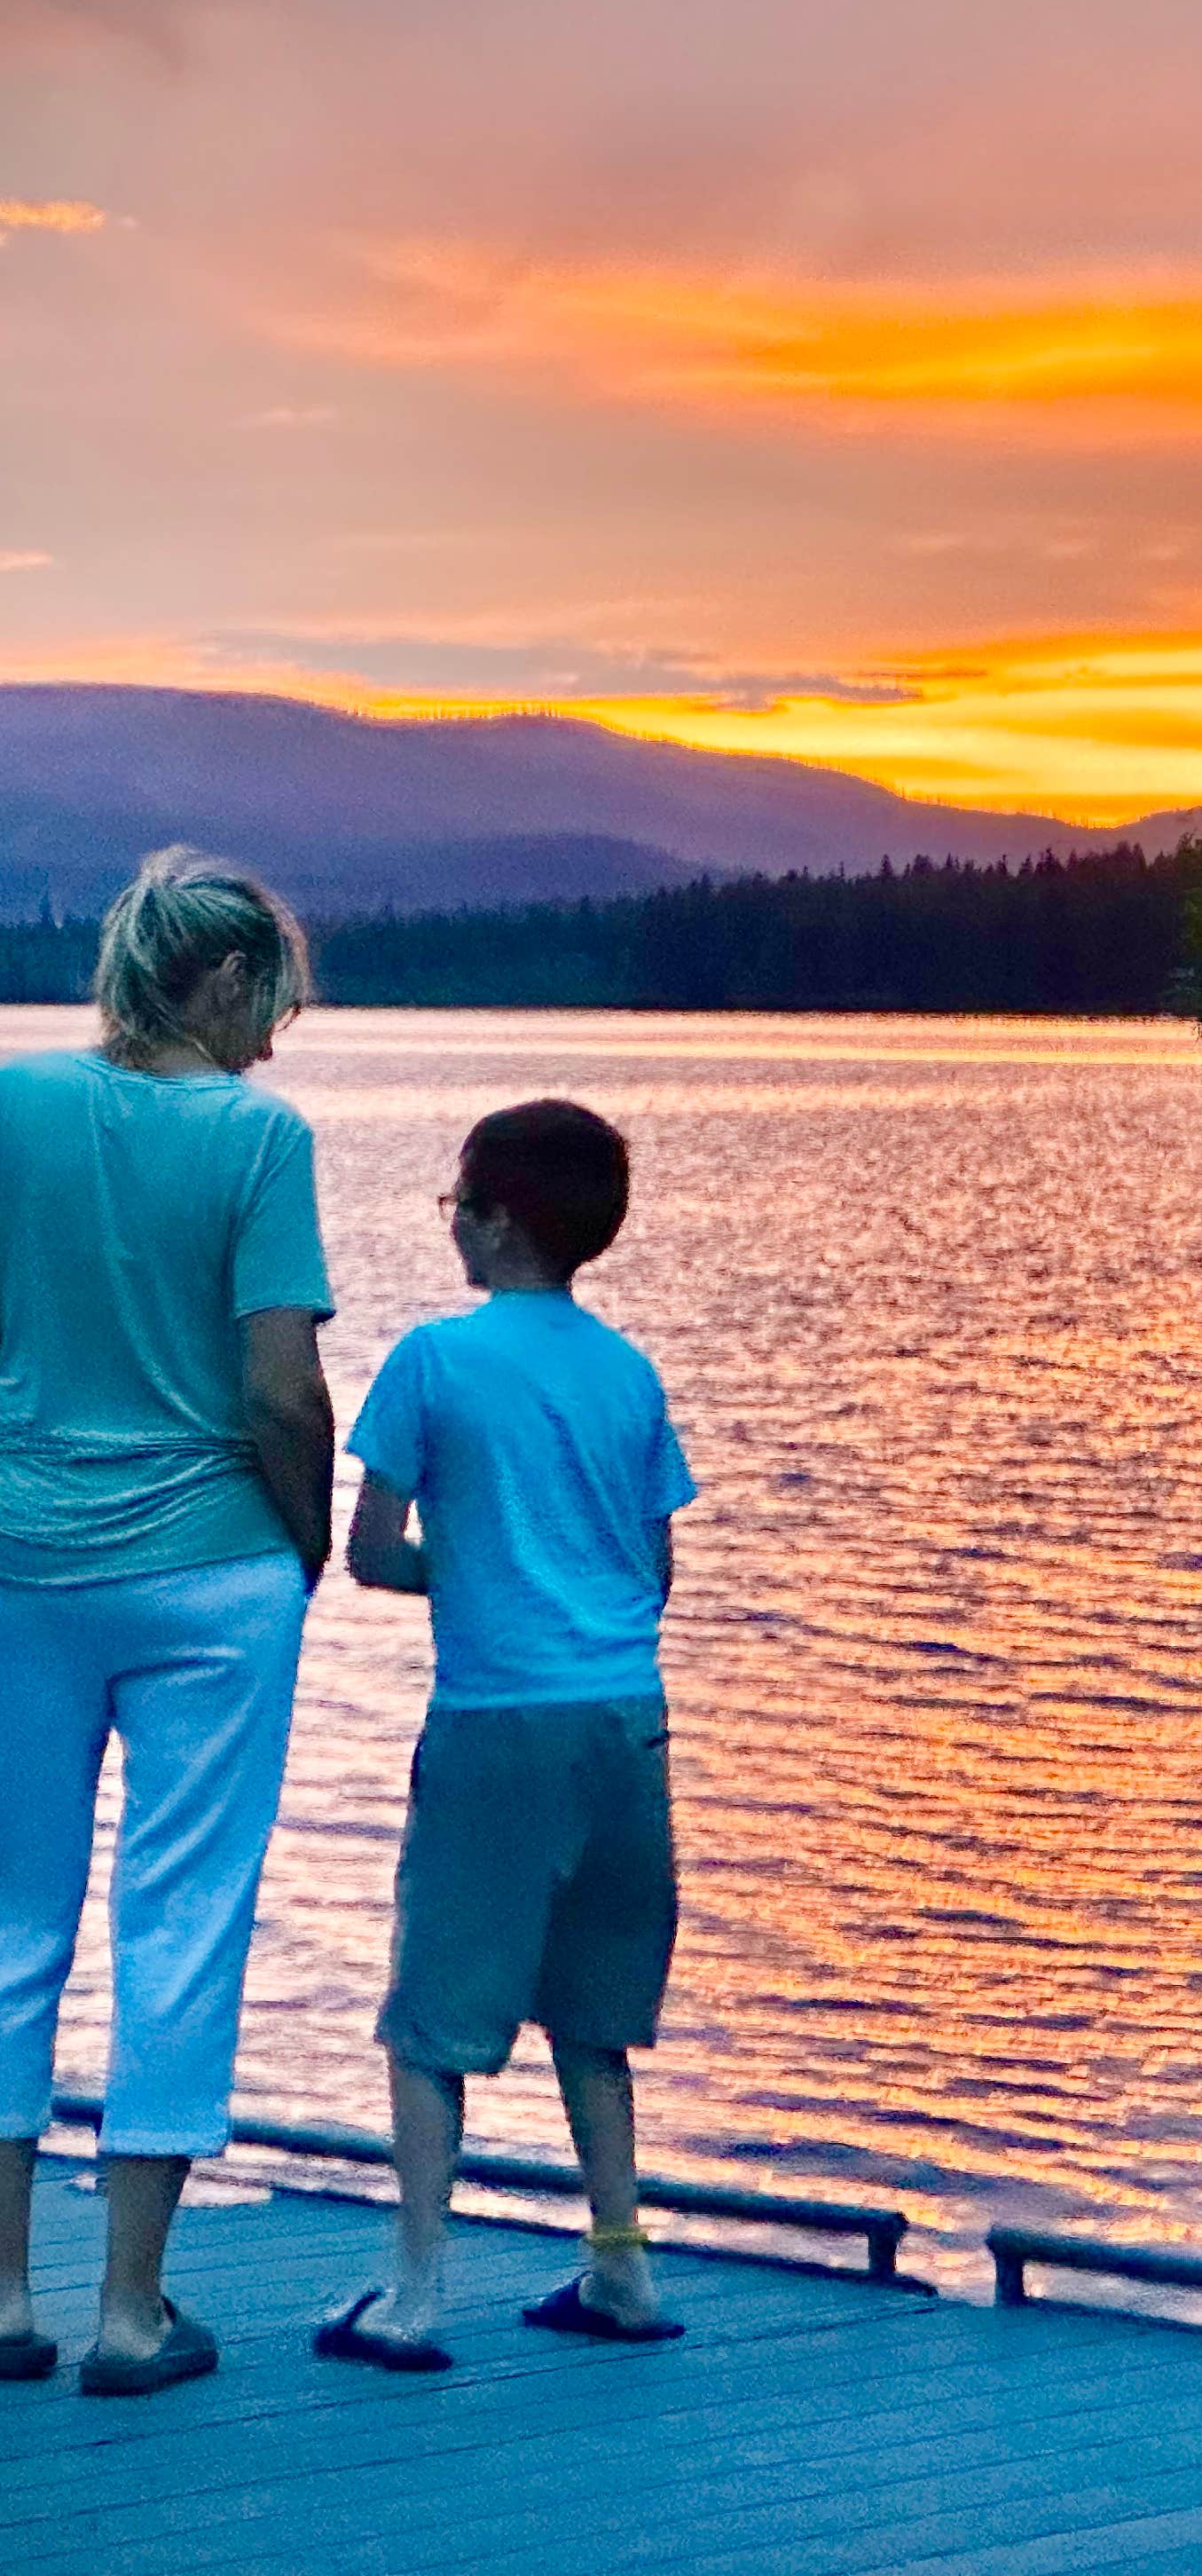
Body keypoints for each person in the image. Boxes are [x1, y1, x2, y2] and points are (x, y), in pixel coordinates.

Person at [0, 848, 335, 2398]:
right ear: (222, 979)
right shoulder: (259, 1137)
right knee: (181, 1915)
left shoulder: (14, 1103)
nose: (276, 1037)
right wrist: (307, 1540)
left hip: (20, 1561)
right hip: (211, 1574)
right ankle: (133, 2312)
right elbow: (280, 1389)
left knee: (10, 1920)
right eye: (273, 1001)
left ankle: (4, 2298)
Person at [315, 1098, 694, 2372]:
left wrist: (471, 1567)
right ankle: (621, 2266)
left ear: (499, 1221)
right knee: (594, 2010)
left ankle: (415, 2291)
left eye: (459, 1204)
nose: (453, 1225)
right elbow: (652, 1567)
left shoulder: (433, 1361)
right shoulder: (629, 1373)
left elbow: (371, 1552)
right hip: (626, 1721)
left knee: (433, 2016)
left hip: (496, 1722)